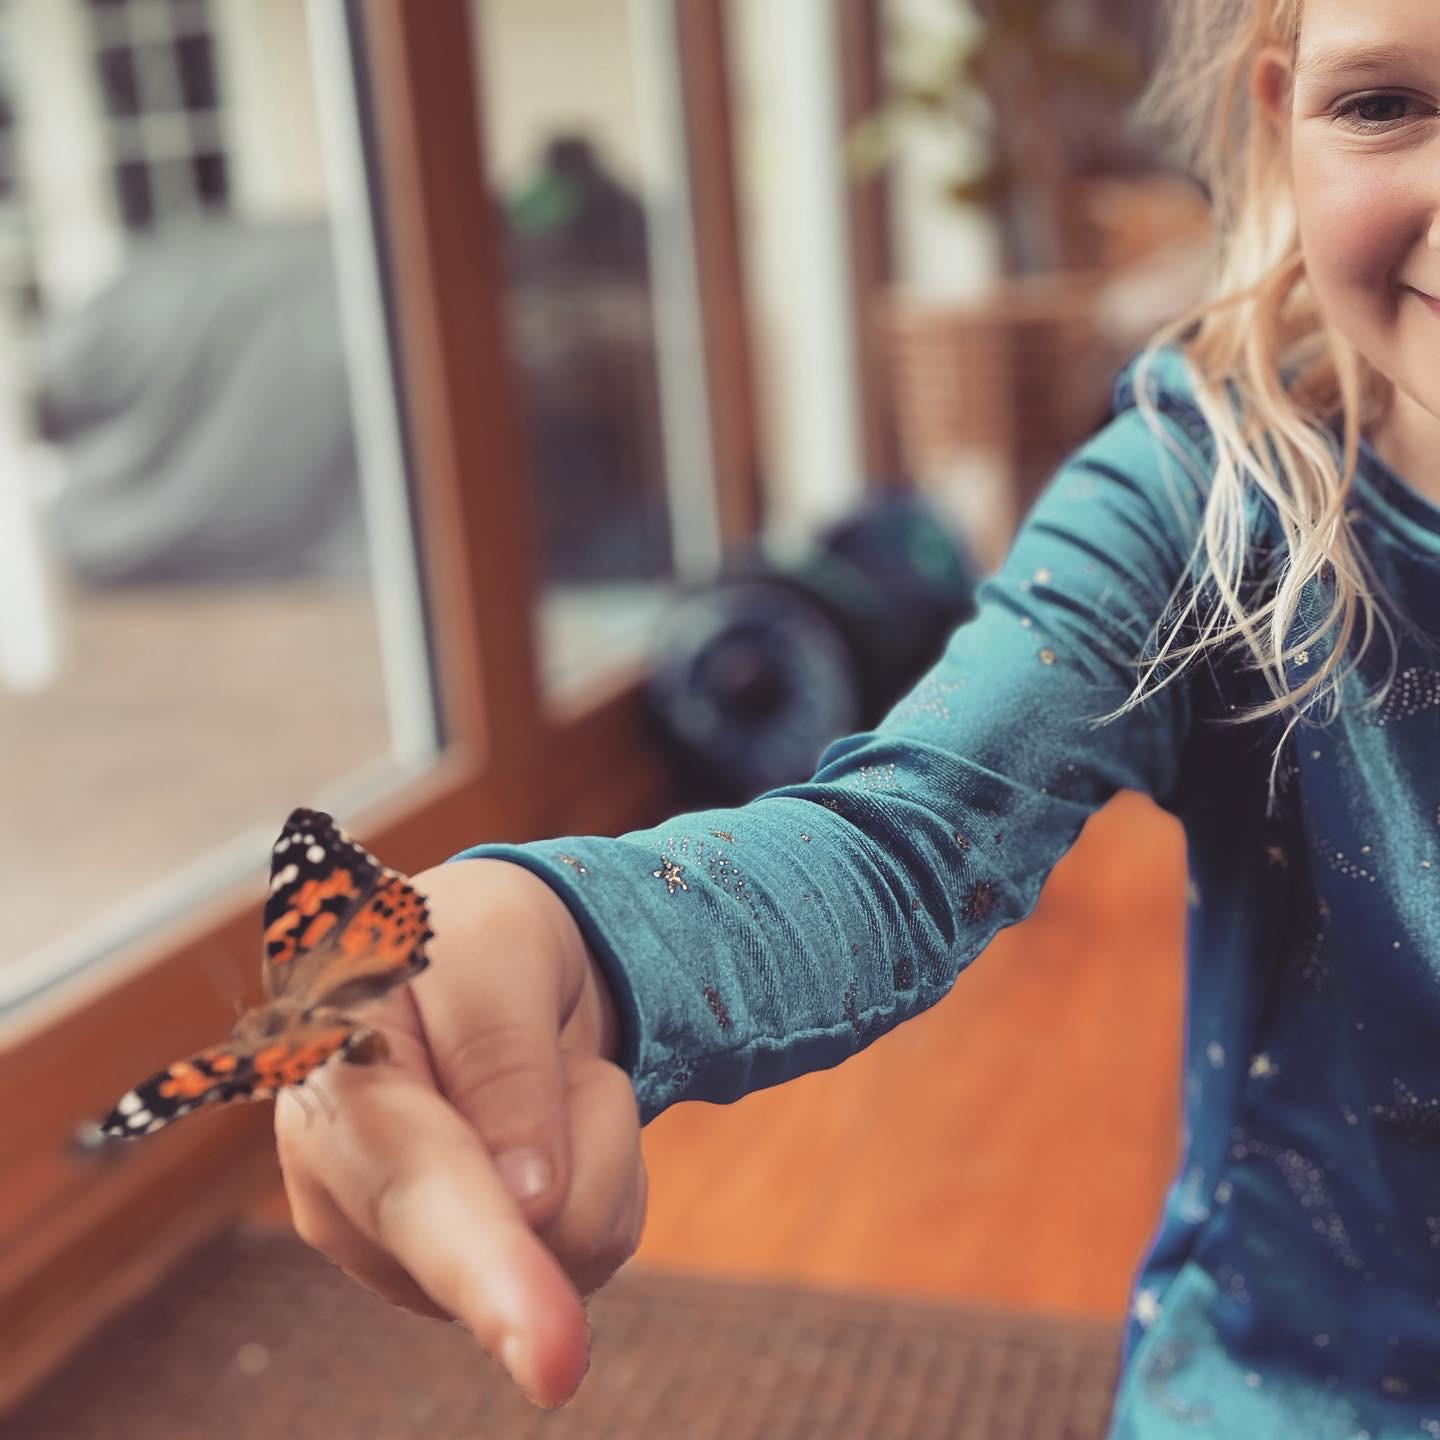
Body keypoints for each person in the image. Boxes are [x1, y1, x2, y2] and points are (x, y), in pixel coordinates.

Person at [276, 0, 1440, 1432]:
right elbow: (900, 843)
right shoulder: (1199, 495)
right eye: (1386, 101)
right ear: (1280, 121)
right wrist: (563, 928)